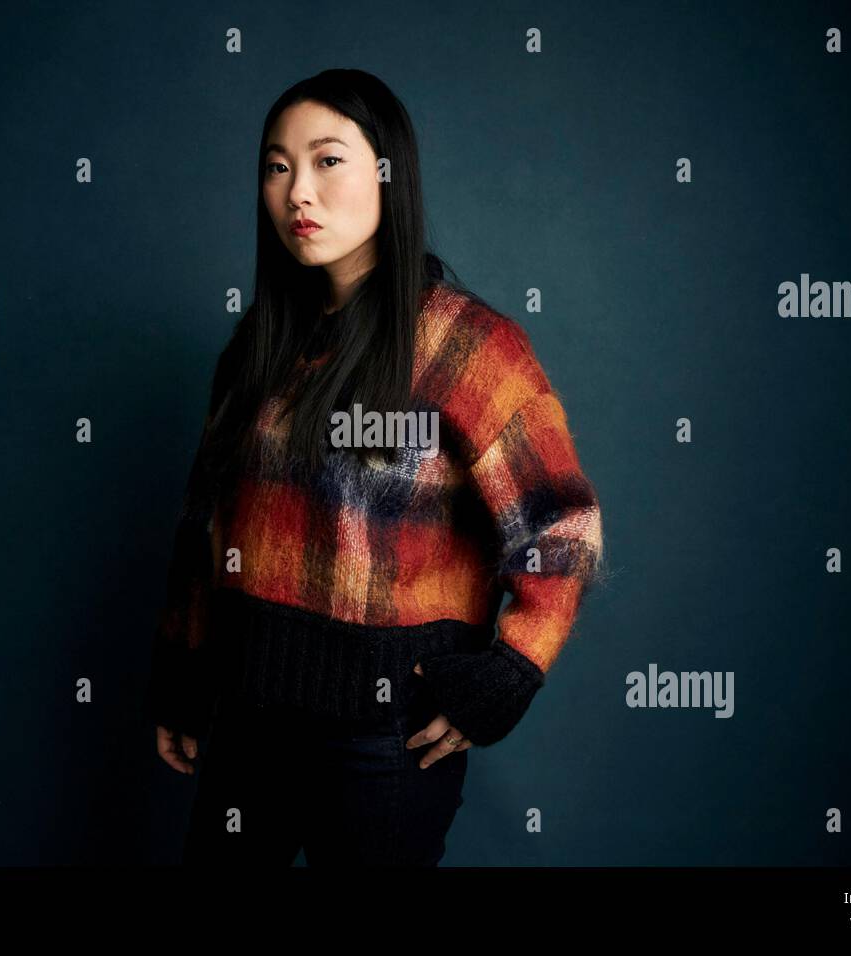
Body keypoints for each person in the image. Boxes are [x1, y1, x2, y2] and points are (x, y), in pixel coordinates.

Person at [146, 68, 605, 866]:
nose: (298, 191)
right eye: (277, 164)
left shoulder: (467, 347)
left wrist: (507, 672)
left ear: (389, 173)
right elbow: (204, 526)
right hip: (248, 722)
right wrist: (187, 671)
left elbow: (562, 529)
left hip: (384, 742)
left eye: (328, 161)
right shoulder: (258, 344)